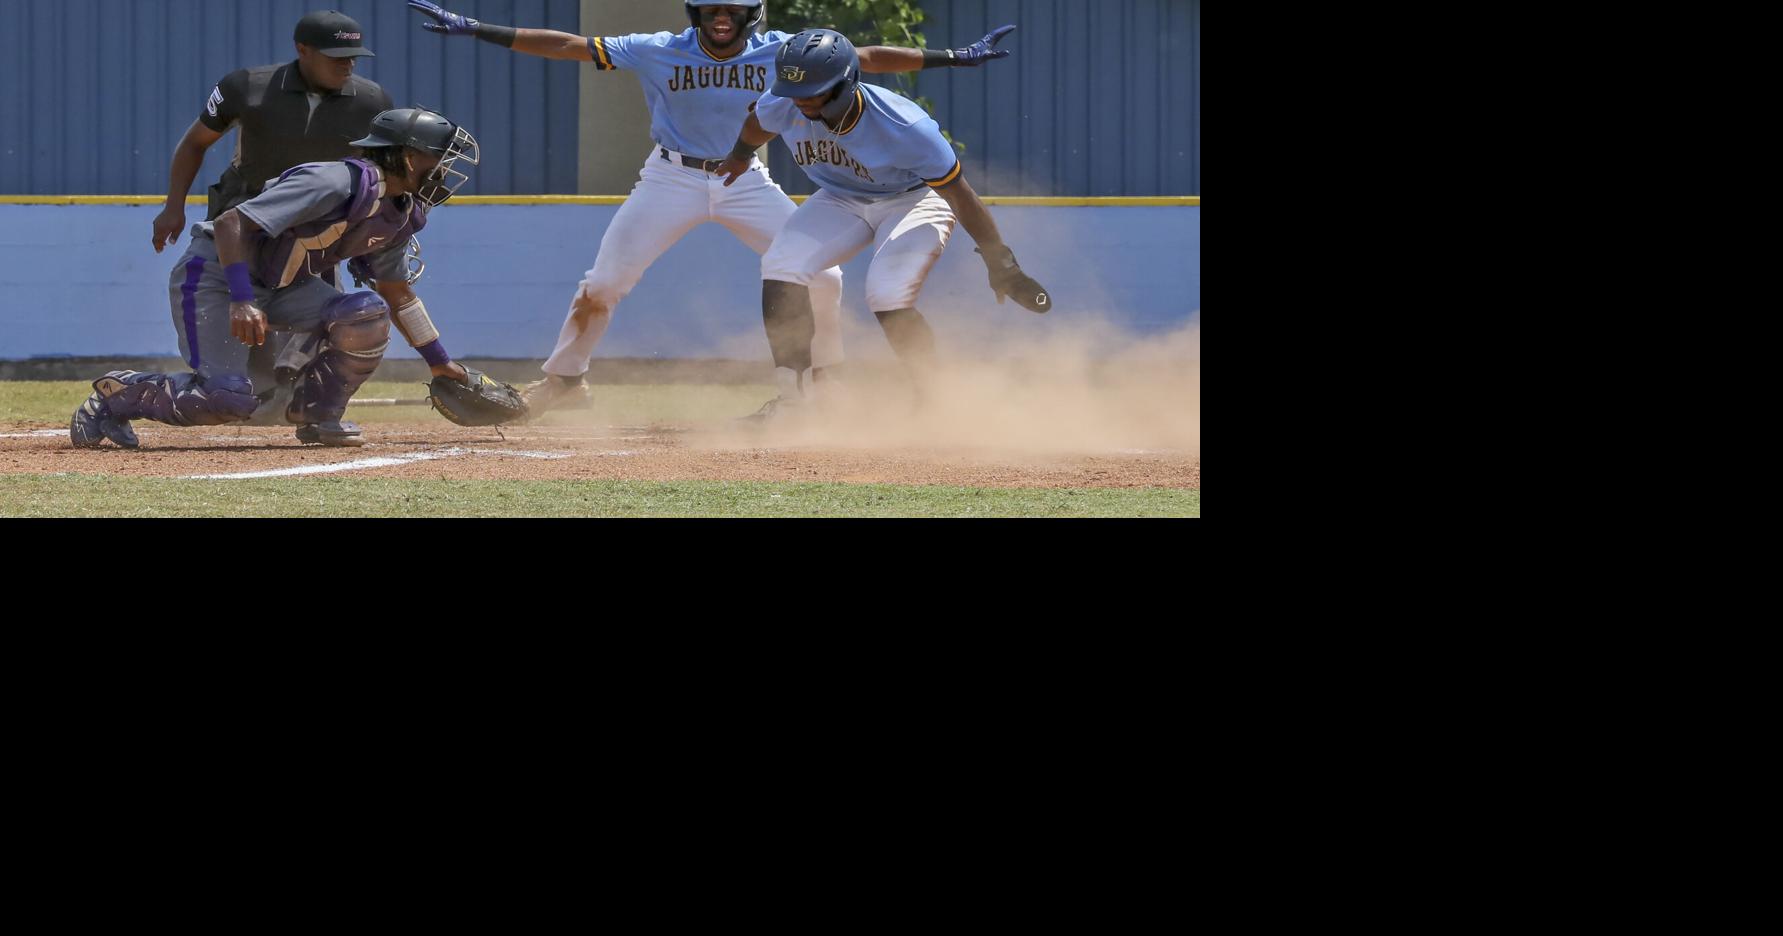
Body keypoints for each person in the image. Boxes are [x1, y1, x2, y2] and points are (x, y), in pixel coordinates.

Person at [406, 0, 1016, 415]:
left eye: (733, 11)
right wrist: (476, 27)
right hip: (669, 177)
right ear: (695, 13)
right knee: (605, 283)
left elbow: (869, 58)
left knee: (820, 275)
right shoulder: (656, 48)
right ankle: (565, 380)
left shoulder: (781, 50)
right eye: (711, 10)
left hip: (746, 178)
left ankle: (820, 383)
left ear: (750, 16)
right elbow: (568, 44)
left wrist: (954, 59)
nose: (721, 20)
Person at [71, 108, 486, 449]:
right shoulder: (333, 181)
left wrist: (441, 364)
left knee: (365, 314)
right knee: (226, 399)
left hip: (285, 286)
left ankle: (319, 414)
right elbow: (233, 223)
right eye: (440, 158)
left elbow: (397, 294)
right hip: (218, 274)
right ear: (410, 157)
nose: (445, 170)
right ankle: (120, 393)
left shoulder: (401, 212)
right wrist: (242, 298)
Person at [149, 10, 472, 417]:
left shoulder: (372, 101)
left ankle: (306, 409)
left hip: (314, 232)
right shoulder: (247, 87)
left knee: (342, 323)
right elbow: (195, 143)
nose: (348, 64)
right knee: (240, 380)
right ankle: (220, 389)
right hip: (245, 225)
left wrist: (438, 359)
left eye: (354, 56)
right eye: (336, 55)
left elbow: (374, 183)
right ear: (302, 50)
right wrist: (173, 207)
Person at [716, 29, 1052, 417]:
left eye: (815, 89)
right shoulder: (786, 101)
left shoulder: (906, 127)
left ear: (845, 83)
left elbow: (960, 194)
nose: (802, 98)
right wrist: (740, 156)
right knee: (780, 264)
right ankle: (792, 402)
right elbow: (756, 125)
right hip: (841, 197)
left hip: (913, 199)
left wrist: (1001, 263)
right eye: (795, 89)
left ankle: (935, 401)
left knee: (886, 293)